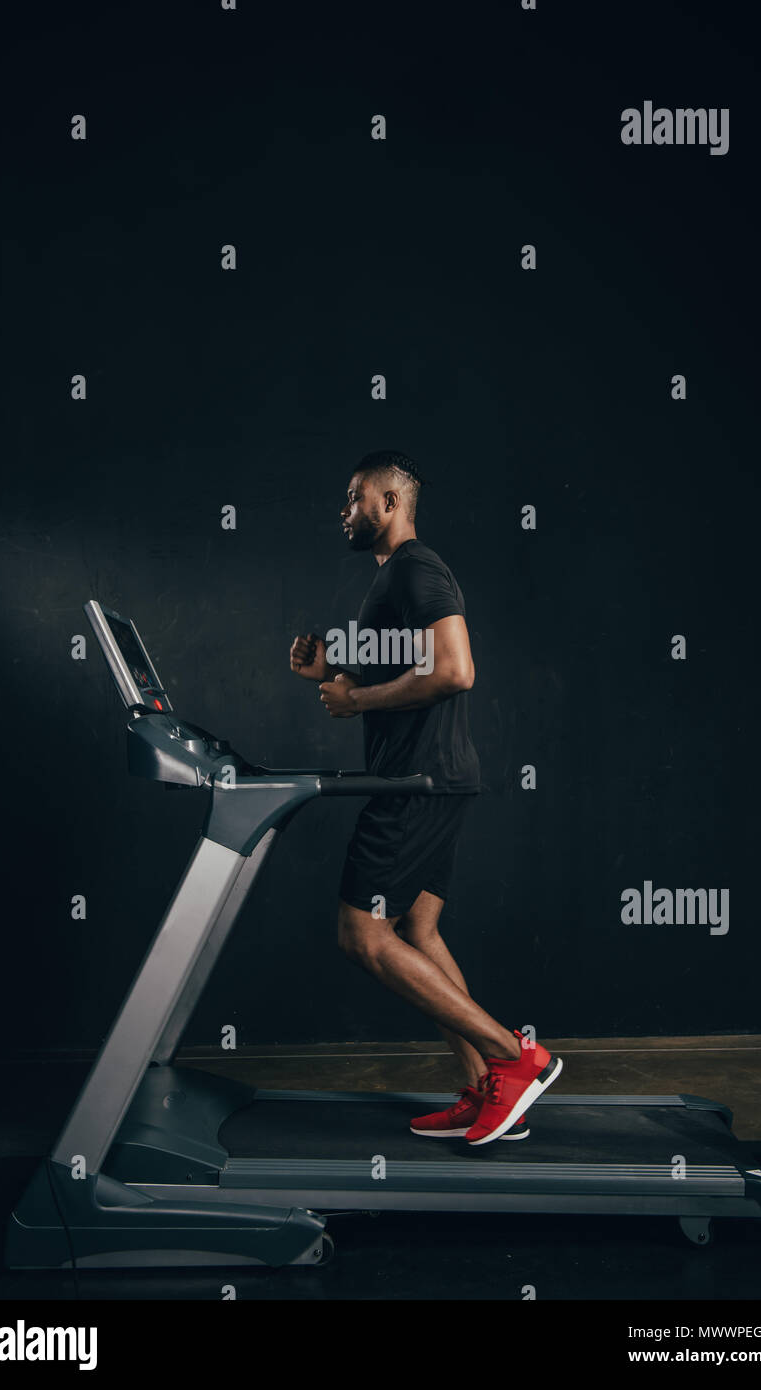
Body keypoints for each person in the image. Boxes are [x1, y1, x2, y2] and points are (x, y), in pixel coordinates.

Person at [289, 451, 562, 1143]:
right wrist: (334, 672)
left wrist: (354, 702)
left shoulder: (417, 568)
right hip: (434, 777)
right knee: (417, 930)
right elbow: (400, 672)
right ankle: (485, 1088)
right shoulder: (393, 580)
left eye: (353, 499)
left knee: (363, 934)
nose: (343, 512)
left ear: (388, 502)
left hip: (417, 782)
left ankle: (514, 1057)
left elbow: (454, 671)